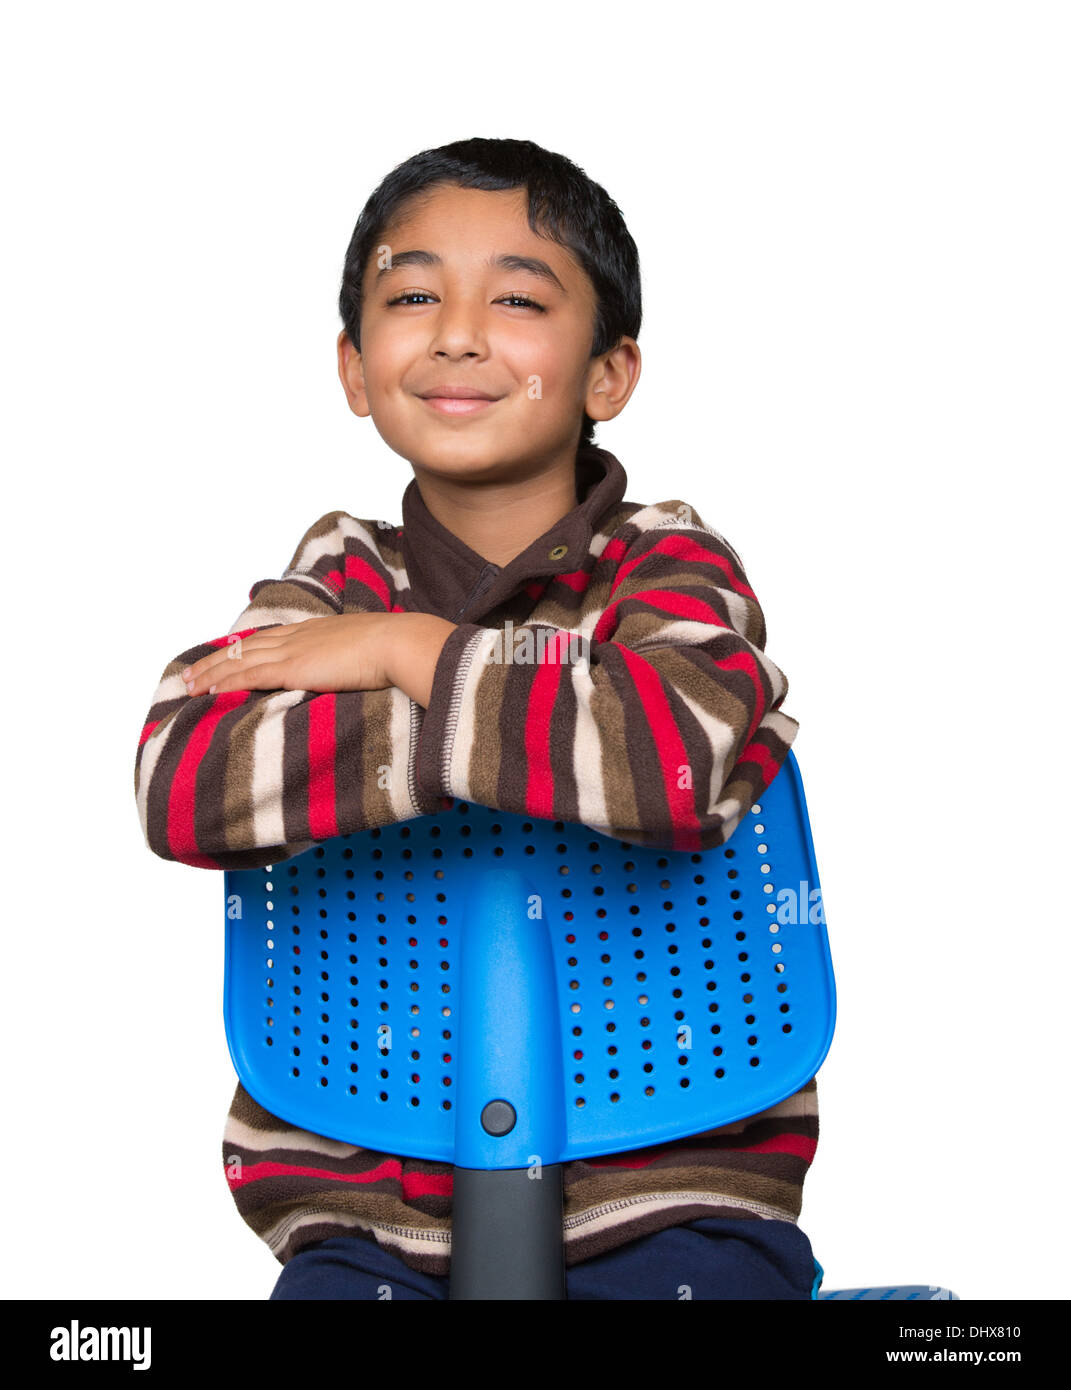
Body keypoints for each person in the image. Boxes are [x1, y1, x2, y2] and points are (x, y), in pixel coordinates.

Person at [134, 137, 821, 1300]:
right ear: (355, 368)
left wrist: (408, 656)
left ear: (609, 373)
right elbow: (186, 778)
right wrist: (548, 728)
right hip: (366, 1204)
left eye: (515, 297)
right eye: (413, 297)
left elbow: (672, 760)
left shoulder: (671, 569)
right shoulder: (326, 586)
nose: (457, 331)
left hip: (673, 1193)